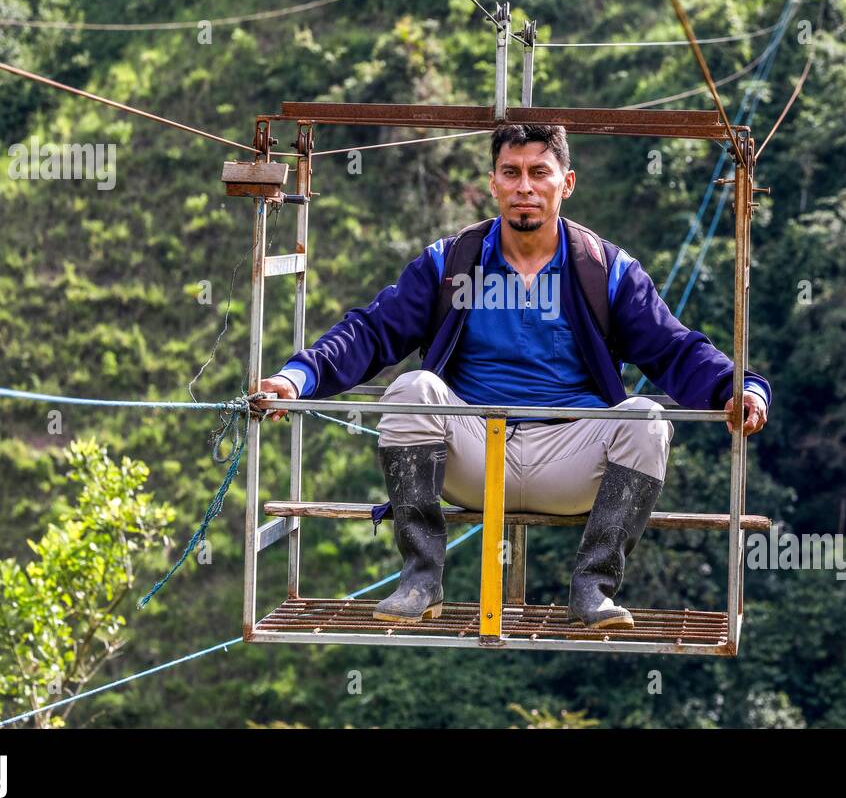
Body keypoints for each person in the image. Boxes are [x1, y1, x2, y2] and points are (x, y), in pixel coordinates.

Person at [254, 123, 771, 630]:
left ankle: (593, 588)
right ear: (493, 182)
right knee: (411, 390)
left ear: (566, 183)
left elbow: (674, 348)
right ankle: (421, 579)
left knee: (647, 421)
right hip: (475, 454)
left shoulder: (603, 269)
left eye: (539, 172)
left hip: (572, 457)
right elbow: (371, 331)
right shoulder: (452, 263)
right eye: (512, 172)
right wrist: (297, 378)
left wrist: (739, 387)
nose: (525, 187)